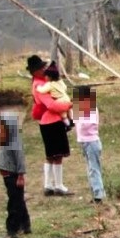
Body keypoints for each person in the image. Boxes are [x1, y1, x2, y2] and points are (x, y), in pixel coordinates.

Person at [27, 55, 72, 196]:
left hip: (47, 122)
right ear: (35, 71)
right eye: (41, 68)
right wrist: (69, 104)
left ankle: (49, 185)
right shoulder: (40, 86)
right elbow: (51, 105)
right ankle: (57, 185)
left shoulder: (41, 83)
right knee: (57, 155)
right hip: (52, 121)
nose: (44, 70)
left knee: (51, 155)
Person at [0, 111, 30, 238]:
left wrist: (20, 176)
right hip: (7, 175)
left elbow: (20, 159)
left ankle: (12, 230)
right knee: (19, 201)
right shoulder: (4, 139)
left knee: (14, 204)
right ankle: (25, 225)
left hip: (13, 176)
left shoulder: (14, 141)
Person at [74, 86, 106, 202]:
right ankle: (95, 192)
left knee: (94, 168)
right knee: (90, 168)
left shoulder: (90, 109)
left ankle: (98, 194)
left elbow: (86, 125)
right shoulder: (83, 109)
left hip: (91, 141)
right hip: (85, 141)